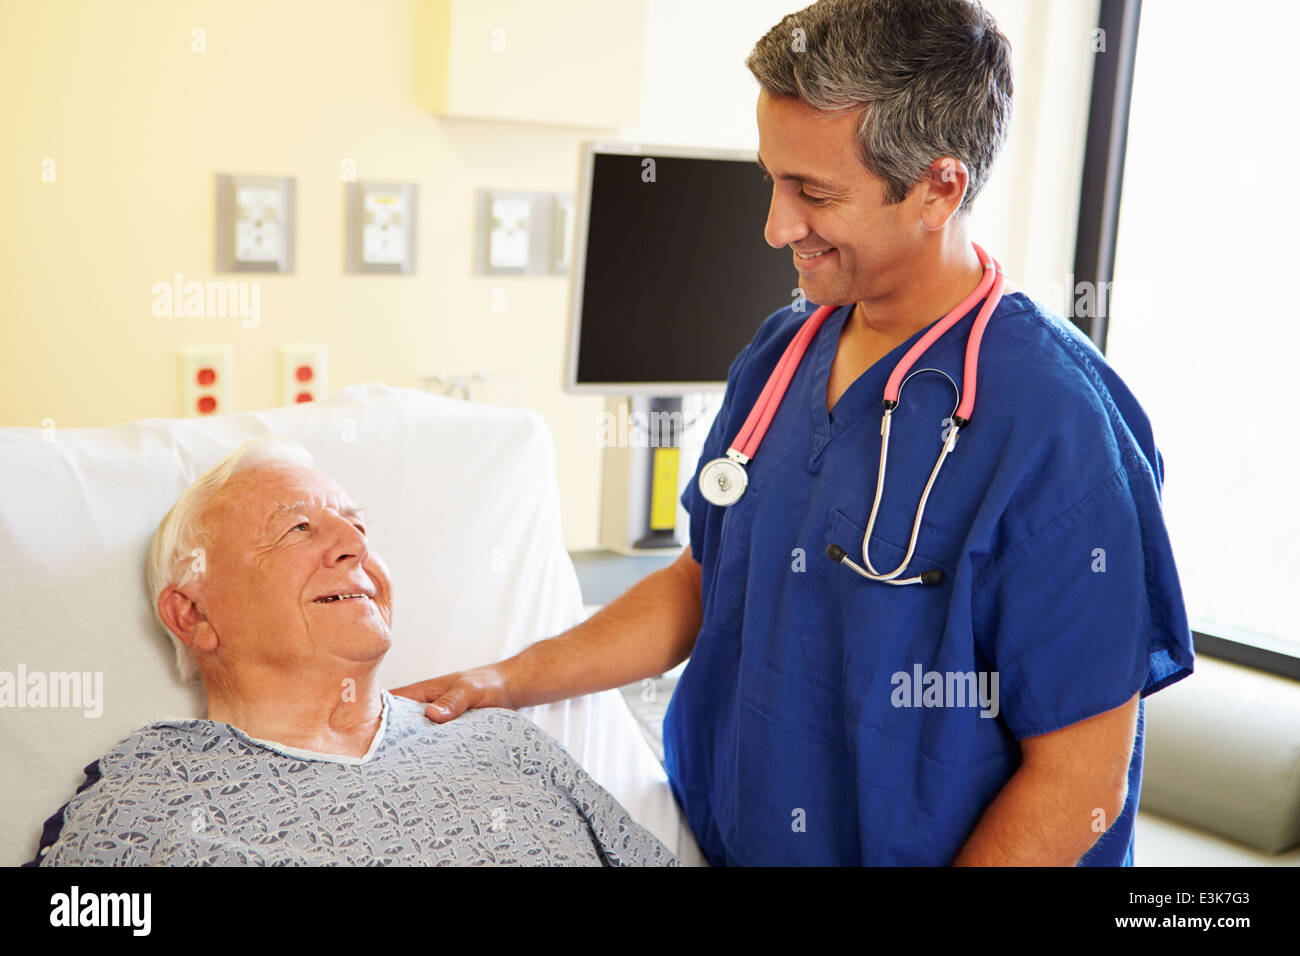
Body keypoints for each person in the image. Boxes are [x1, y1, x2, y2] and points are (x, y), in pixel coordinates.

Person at [393, 0, 1194, 866]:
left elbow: (1078, 783)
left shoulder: (1061, 429)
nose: (776, 227)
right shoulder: (783, 353)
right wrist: (507, 680)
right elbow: (700, 583)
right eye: (772, 180)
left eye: (813, 193)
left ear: (939, 187)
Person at [29, 438, 676, 867]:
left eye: (358, 526)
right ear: (193, 614)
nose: (354, 546)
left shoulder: (507, 747)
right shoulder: (144, 800)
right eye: (297, 528)